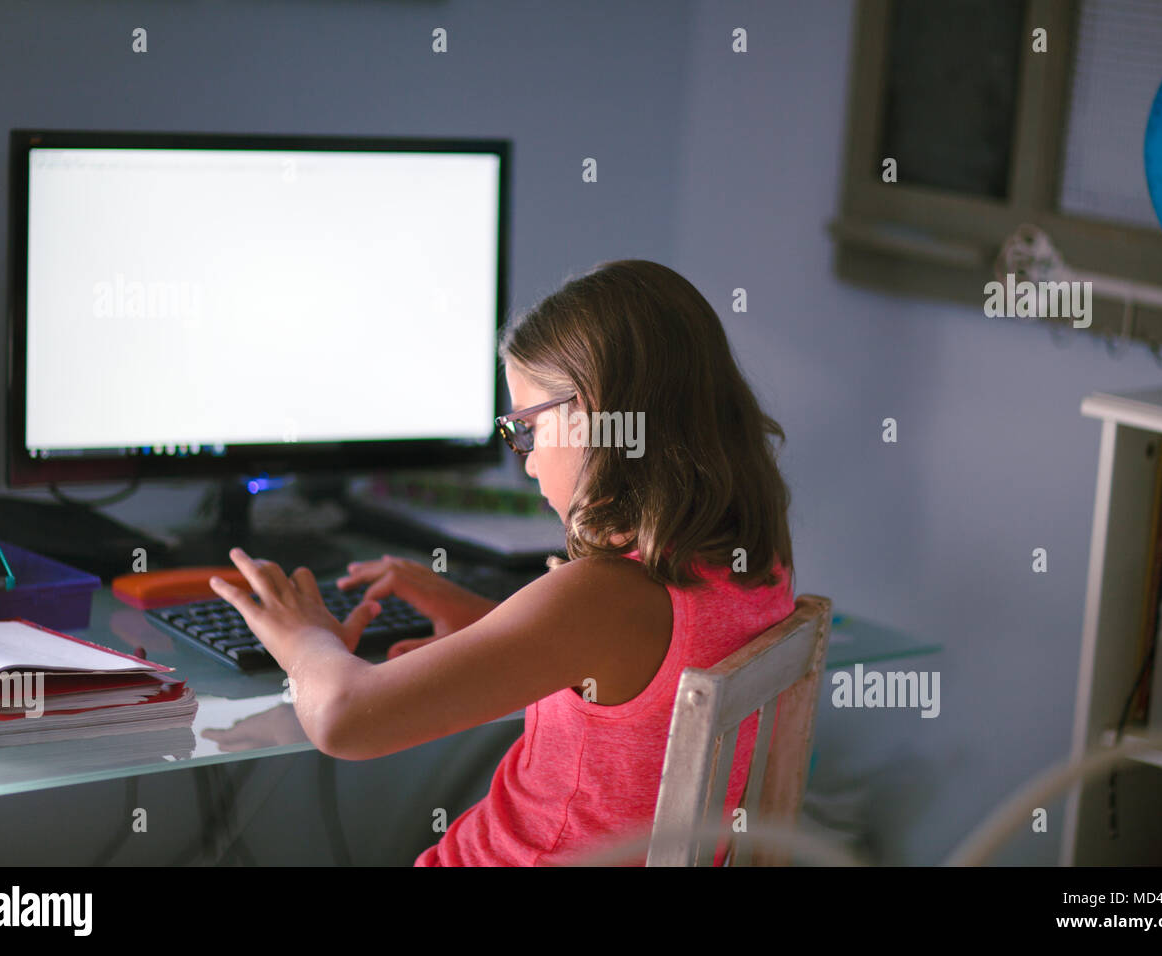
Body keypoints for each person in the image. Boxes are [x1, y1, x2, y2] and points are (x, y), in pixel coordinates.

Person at [210, 259, 797, 865]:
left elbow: (342, 721)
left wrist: (304, 639)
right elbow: (625, 681)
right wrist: (481, 619)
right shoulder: (751, 567)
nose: (526, 460)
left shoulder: (603, 595)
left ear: (594, 413)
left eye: (526, 429)